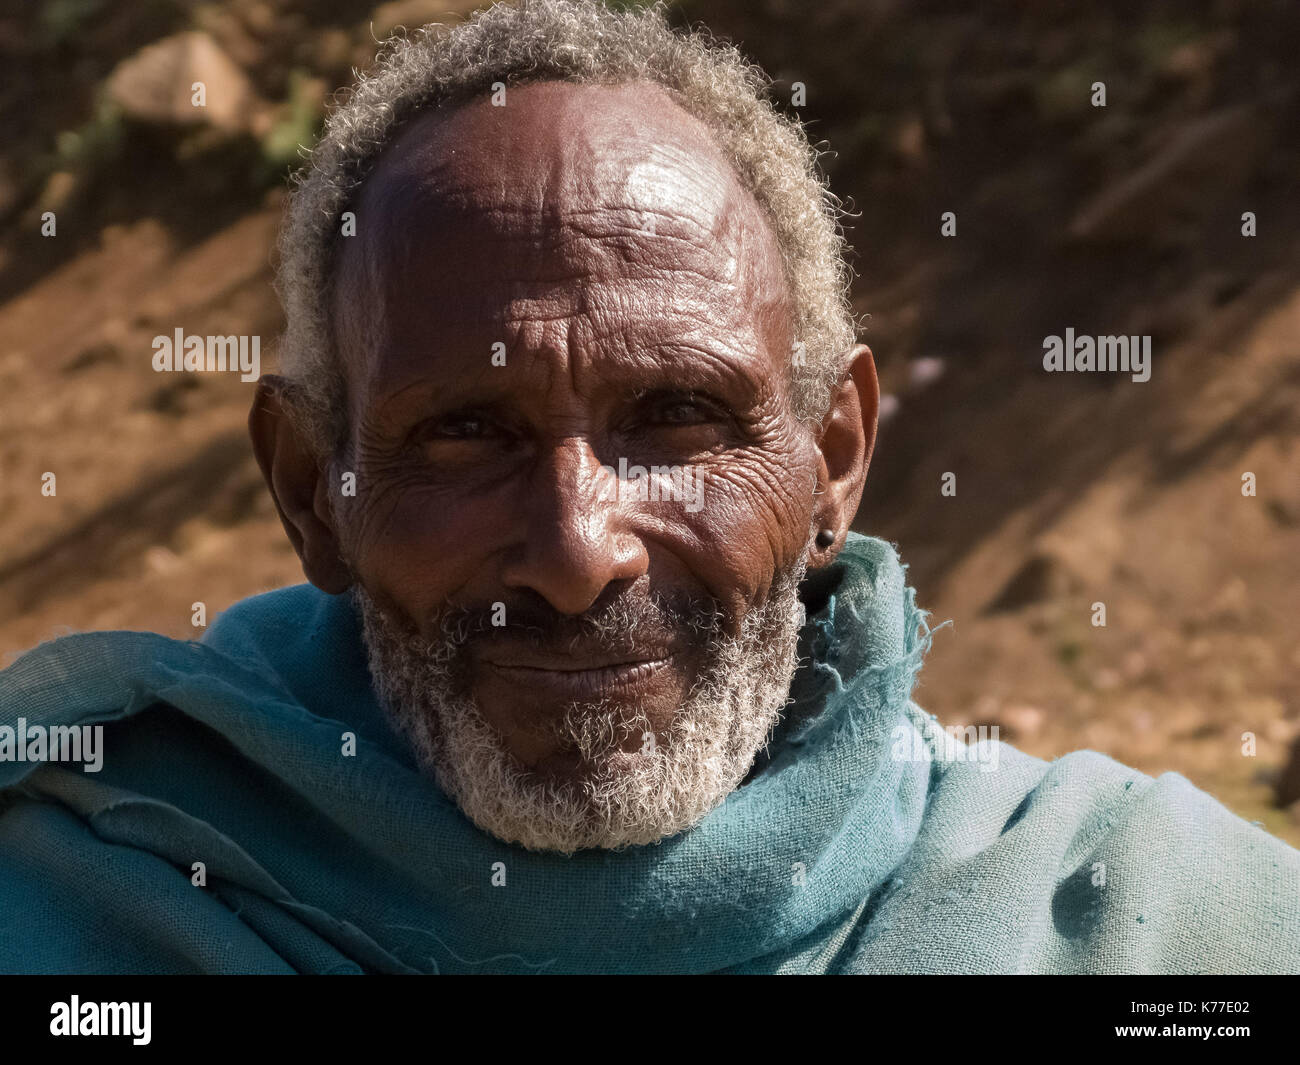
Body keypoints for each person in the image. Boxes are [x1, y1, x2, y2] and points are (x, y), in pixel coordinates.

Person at [1, 0, 1296, 974]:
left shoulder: (1161, 923)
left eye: (676, 418)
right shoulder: (77, 895)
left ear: (835, 453)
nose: (577, 551)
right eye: (463, 431)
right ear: (309, 490)